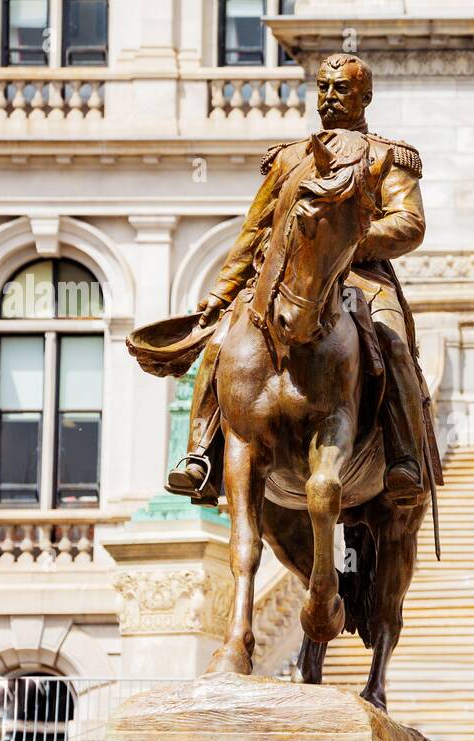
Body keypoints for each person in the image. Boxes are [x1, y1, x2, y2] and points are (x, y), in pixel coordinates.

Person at [165, 52, 440, 507]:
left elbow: (410, 224)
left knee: (391, 341)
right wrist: (221, 291)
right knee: (223, 340)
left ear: (365, 97)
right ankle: (201, 453)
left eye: (343, 90)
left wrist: (348, 238)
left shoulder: (389, 158)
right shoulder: (290, 159)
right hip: (284, 277)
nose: (330, 98)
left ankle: (404, 457)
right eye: (324, 88)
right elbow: (255, 230)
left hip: (361, 275)